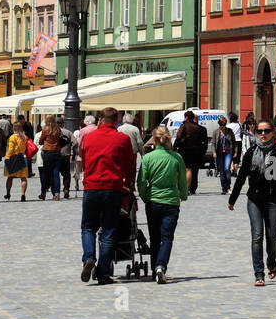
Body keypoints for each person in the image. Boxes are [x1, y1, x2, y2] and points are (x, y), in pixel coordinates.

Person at [228, 117, 276, 285]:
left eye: (266, 131)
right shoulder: (251, 153)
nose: (263, 134)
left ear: (273, 133)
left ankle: (271, 263)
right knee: (257, 236)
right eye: (260, 131)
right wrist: (232, 199)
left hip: (274, 199)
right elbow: (241, 177)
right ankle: (259, 274)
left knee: (273, 237)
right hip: (255, 200)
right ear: (256, 133)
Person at [79, 107, 136, 286]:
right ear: (117, 119)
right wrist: (130, 182)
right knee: (109, 230)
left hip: (91, 187)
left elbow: (84, 159)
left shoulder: (89, 138)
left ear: (100, 120)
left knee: (88, 227)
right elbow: (130, 164)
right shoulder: (123, 139)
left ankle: (89, 258)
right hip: (113, 188)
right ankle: (103, 272)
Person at [136, 126, 189, 284]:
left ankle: (154, 270)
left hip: (153, 201)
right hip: (171, 201)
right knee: (167, 238)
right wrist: (183, 195)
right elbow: (182, 181)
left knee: (154, 237)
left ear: (155, 139)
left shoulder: (148, 158)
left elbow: (141, 181)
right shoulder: (176, 157)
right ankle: (161, 266)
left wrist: (145, 197)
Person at [174, 110, 208, 195]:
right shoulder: (199, 128)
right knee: (193, 170)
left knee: (185, 169)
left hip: (184, 150)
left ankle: (185, 188)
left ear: (186, 117)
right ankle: (191, 188)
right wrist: (202, 152)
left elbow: (178, 137)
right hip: (196, 151)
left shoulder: (184, 126)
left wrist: (175, 148)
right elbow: (204, 142)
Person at [37, 117, 63, 201]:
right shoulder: (58, 129)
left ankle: (43, 193)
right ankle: (57, 194)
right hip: (56, 152)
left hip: (47, 152)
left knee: (45, 173)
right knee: (56, 174)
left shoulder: (46, 129)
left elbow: (40, 142)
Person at [3, 121, 29, 202]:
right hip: (22, 158)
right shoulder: (24, 137)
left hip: (13, 158)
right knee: (23, 178)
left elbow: (11, 149)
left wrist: (7, 157)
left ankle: (8, 193)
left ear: (14, 128)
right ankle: (23, 195)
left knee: (10, 177)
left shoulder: (12, 137)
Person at [214, 117, 236, 194]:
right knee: (222, 171)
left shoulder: (229, 131)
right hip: (219, 153)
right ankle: (224, 188)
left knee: (227, 169)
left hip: (228, 152)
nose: (222, 126)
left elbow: (234, 142)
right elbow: (214, 143)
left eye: (223, 124)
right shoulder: (216, 132)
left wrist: (235, 151)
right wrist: (214, 152)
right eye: (221, 125)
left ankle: (228, 187)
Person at [58, 121, 74, 199]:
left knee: (55, 174)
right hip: (66, 156)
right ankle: (66, 189)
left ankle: (55, 192)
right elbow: (75, 142)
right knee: (66, 174)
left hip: (56, 156)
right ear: (63, 124)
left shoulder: (52, 132)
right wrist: (72, 151)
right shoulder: (68, 132)